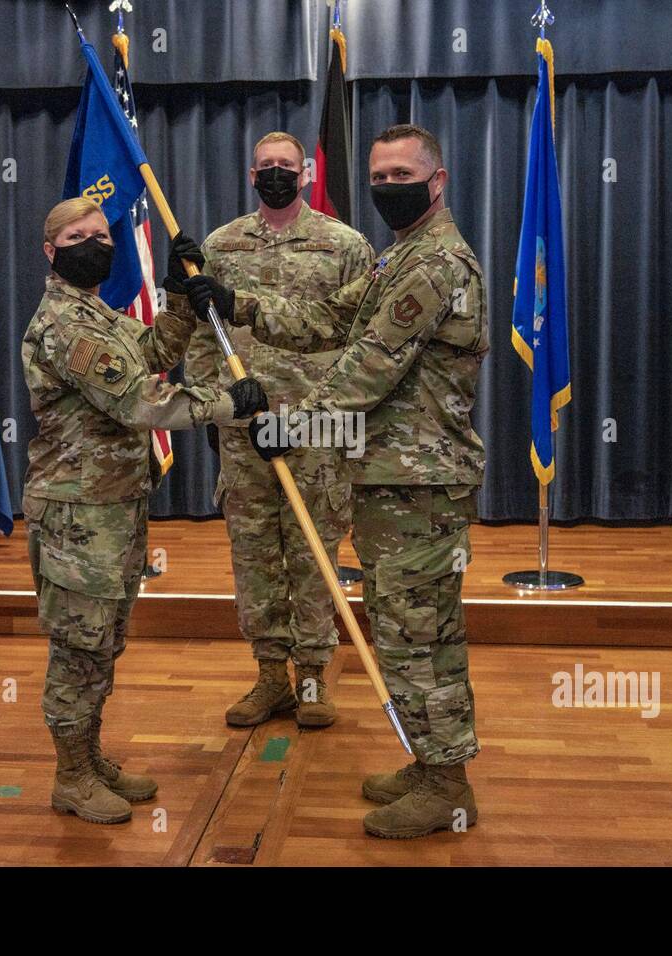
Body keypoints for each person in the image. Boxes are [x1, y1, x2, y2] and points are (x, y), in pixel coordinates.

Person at [181, 124, 488, 840]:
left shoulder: (435, 263)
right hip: (388, 476)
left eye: (402, 174)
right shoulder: (397, 257)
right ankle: (430, 762)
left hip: (419, 481)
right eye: (377, 176)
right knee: (407, 631)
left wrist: (295, 425)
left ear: (437, 181)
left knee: (422, 636)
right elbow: (328, 317)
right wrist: (239, 304)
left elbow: (369, 365)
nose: (387, 187)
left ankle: (447, 782)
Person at [21, 197, 268, 825]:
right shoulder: (64, 327)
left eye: (101, 234)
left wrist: (184, 295)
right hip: (77, 512)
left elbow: (154, 350)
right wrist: (226, 402)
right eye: (78, 237)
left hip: (114, 504)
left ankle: (89, 754)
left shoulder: (99, 316)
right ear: (51, 253)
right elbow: (139, 401)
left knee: (104, 639)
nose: (94, 244)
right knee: (80, 645)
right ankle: (71, 775)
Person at [169, 131, 373, 730]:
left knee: (313, 555)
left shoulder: (346, 245)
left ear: (306, 172)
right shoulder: (220, 246)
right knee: (255, 557)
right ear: (250, 173)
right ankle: (269, 676)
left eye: (287, 165)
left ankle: (313, 678)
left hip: (314, 433)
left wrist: (326, 420)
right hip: (244, 433)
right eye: (267, 166)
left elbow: (362, 345)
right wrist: (214, 410)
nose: (277, 173)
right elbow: (205, 341)